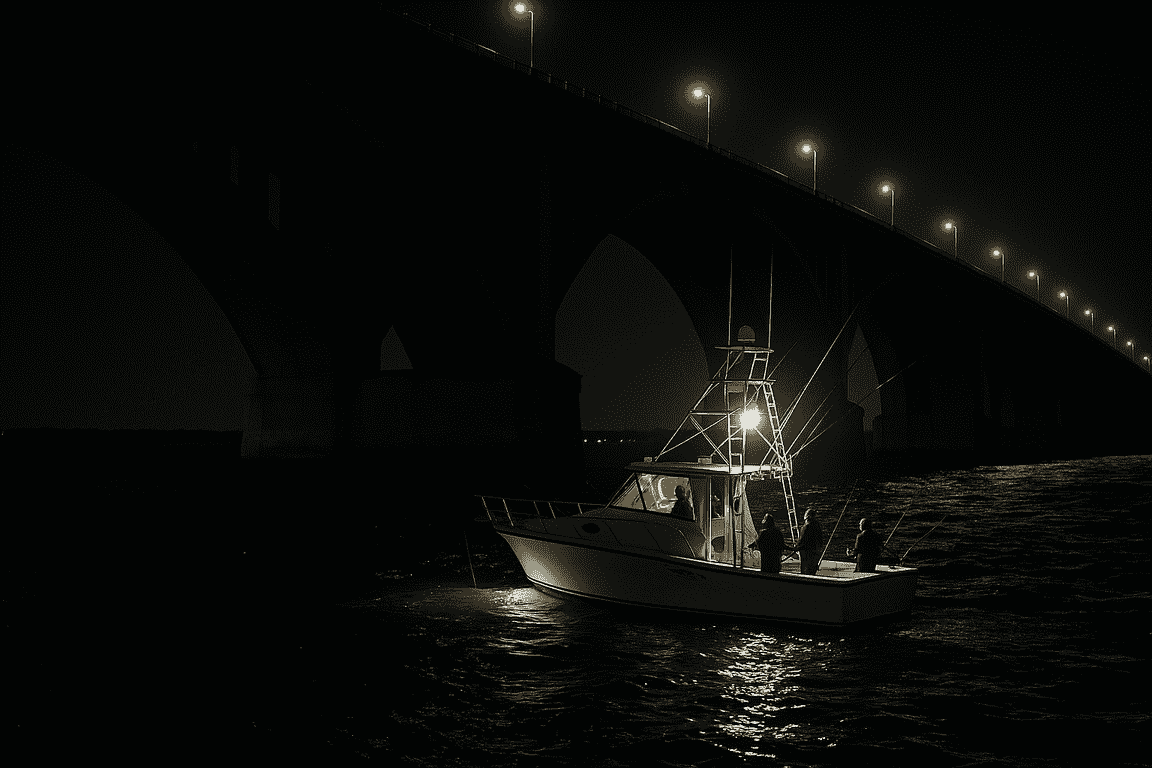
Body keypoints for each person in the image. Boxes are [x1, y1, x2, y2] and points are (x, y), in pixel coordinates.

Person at [790, 508, 824, 575]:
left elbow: (801, 541)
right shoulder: (817, 526)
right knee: (812, 571)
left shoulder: (806, 527)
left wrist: (795, 548)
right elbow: (820, 540)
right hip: (816, 553)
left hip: (807, 555)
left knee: (806, 572)